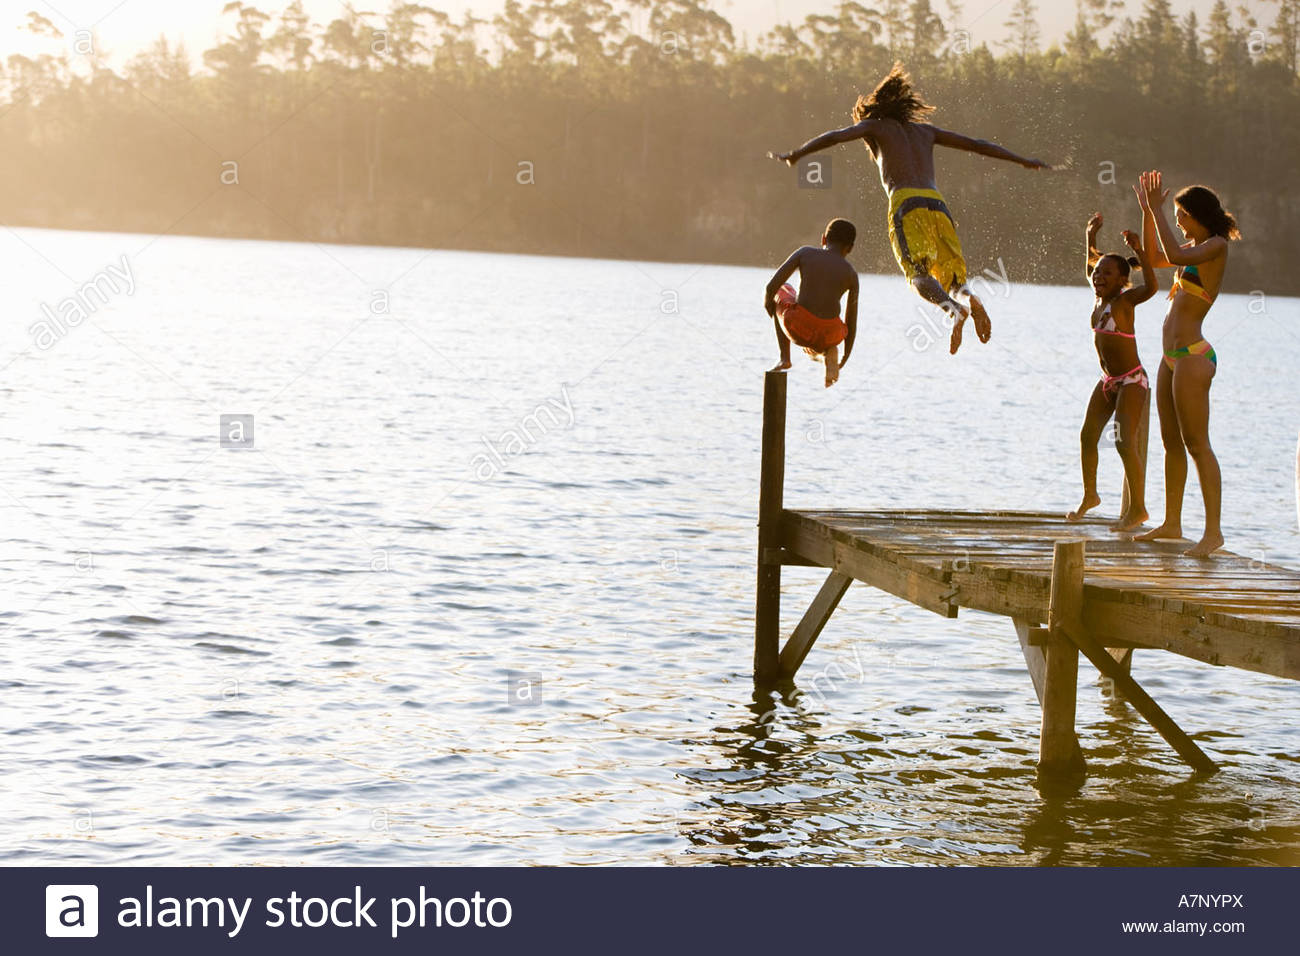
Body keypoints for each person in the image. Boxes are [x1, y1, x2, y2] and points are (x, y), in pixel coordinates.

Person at [769, 64, 1050, 354]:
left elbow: (837, 136)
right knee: (953, 279)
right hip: (938, 204)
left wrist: (798, 154)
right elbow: (976, 144)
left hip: (907, 204)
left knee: (917, 275)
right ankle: (966, 299)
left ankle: (954, 310)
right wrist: (1023, 160)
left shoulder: (875, 126)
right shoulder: (925, 131)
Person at [1133, 171, 1241, 557]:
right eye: (1174, 214)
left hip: (1194, 356)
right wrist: (1149, 212)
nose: (1177, 220)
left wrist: (1158, 210)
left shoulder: (1214, 247)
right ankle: (1172, 522)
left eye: (1180, 213)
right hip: (1170, 358)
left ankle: (1213, 533)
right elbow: (1154, 257)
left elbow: (1175, 255)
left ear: (1197, 213)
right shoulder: (1194, 245)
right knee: (1170, 443)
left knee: (1197, 443)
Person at [1067, 211, 1157, 530]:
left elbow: (1152, 287)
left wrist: (1141, 251)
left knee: (1121, 441)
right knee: (1088, 435)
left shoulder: (1123, 303)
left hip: (1132, 381)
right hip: (1108, 381)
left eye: (1107, 273)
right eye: (1098, 273)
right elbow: (1090, 268)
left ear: (1122, 280)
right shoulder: (1098, 301)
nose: (1098, 277)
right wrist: (1090, 236)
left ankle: (1138, 509)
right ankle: (1090, 496)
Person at [764, 218, 859, 388]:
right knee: (819, 336)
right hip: (832, 334)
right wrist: (845, 357)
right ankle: (827, 354)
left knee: (783, 289)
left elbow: (771, 287)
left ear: (823, 239)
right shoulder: (851, 274)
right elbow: (851, 321)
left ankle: (785, 358)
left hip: (799, 327)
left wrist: (771, 310)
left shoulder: (805, 253)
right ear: (850, 248)